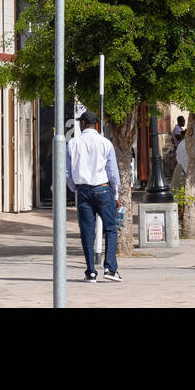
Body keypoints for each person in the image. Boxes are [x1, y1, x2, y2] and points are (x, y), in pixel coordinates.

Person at [65, 110, 121, 284]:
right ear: (96, 125)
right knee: (110, 229)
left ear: (82, 124)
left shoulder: (72, 143)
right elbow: (113, 172)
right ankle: (110, 268)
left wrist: (75, 188)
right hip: (103, 190)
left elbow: (67, 172)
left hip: (83, 191)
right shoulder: (105, 143)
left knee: (87, 232)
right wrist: (115, 193)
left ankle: (90, 272)